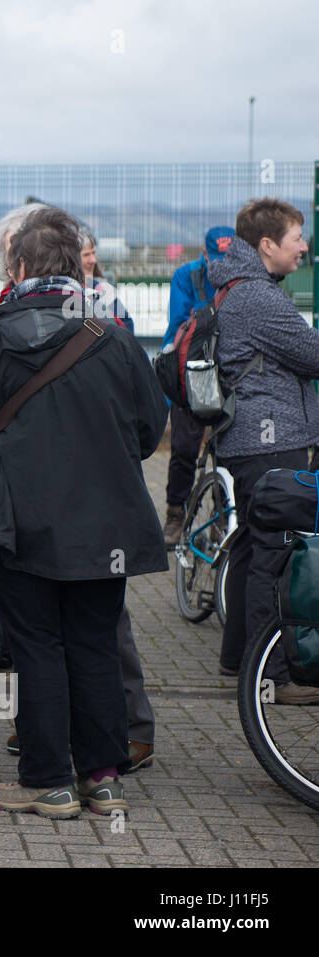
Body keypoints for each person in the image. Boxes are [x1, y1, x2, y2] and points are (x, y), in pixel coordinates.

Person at [0, 205, 168, 819]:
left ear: (16, 267)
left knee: (36, 644)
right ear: (75, 267)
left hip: (18, 521)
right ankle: (103, 777)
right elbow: (150, 427)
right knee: (94, 643)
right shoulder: (114, 339)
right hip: (105, 522)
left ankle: (47, 780)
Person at [212, 199, 319, 703]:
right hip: (270, 440)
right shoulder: (259, 298)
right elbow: (313, 355)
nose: (305, 245)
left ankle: (239, 659)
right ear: (267, 245)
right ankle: (271, 678)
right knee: (274, 557)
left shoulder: (239, 289)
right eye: (298, 237)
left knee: (254, 547)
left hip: (251, 440)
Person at [161, 226, 235, 546]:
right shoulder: (186, 276)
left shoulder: (242, 278)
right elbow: (179, 322)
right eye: (217, 259)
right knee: (184, 448)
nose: (222, 267)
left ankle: (223, 518)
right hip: (190, 369)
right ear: (205, 255)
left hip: (225, 369)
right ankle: (175, 514)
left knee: (228, 449)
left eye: (228, 259)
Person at [79, 225, 133, 333]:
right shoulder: (64, 289)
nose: (93, 260)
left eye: (94, 253)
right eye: (86, 255)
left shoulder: (102, 288)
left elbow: (127, 325)